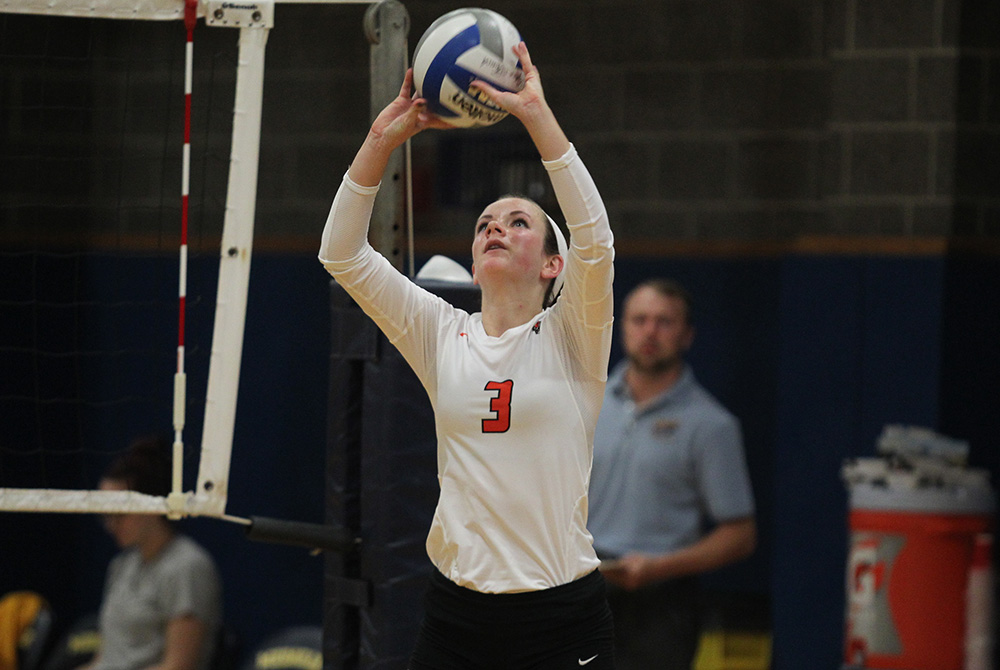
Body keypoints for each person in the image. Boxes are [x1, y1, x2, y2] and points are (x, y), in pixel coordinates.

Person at [319, 41, 616, 670]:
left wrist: (536, 115)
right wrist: (381, 140)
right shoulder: (440, 333)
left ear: (554, 265)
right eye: (484, 224)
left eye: (518, 222)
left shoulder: (575, 335)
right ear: (475, 264)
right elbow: (341, 253)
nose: (495, 227)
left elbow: (596, 240)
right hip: (457, 616)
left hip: (558, 619)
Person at [588, 279, 756, 670]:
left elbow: (740, 536)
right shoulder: (587, 404)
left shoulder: (711, 424)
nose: (650, 331)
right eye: (639, 320)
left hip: (661, 601)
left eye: (664, 322)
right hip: (585, 588)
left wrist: (659, 567)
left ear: (687, 335)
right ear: (621, 327)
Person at [86, 436, 222, 670]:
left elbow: (178, 666)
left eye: (119, 513)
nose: (110, 524)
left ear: (151, 505)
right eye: (105, 514)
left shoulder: (188, 566)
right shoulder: (121, 565)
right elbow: (104, 660)